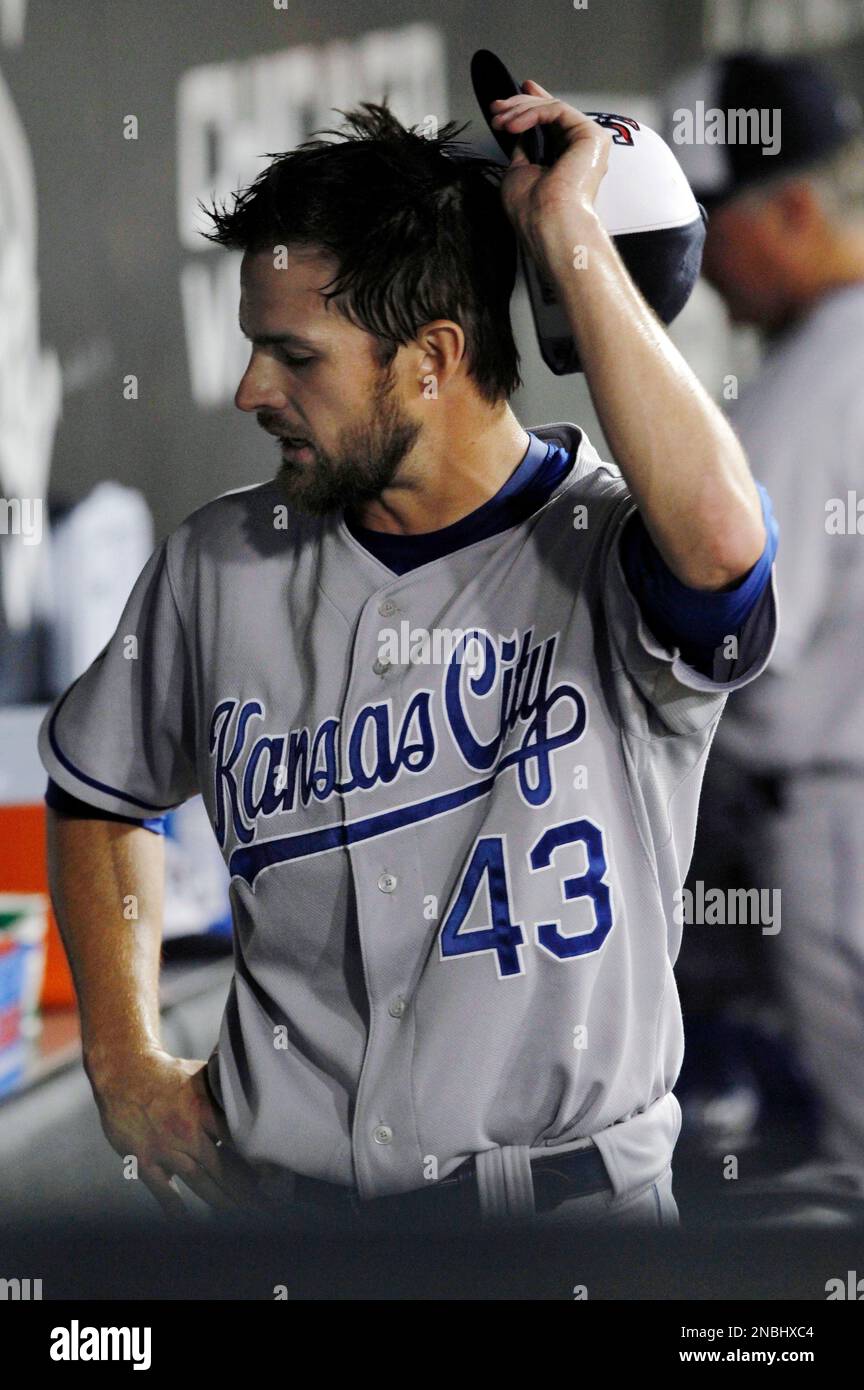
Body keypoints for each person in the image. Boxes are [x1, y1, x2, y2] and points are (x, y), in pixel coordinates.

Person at [39, 89, 776, 1234]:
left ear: (433, 358)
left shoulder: (608, 552)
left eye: (293, 355)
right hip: (291, 1229)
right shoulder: (217, 564)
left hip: (565, 1228)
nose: (251, 391)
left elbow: (726, 545)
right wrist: (123, 1054)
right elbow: (96, 797)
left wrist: (569, 233)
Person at [666, 53, 864, 1164]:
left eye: (709, 217)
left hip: (837, 820)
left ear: (791, 206)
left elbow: (737, 648)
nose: (699, 255)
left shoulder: (804, 389)